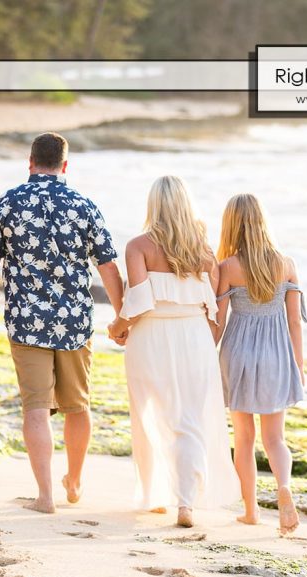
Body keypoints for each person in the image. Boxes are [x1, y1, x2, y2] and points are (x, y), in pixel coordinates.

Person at [0, 132, 124, 514]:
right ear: (65, 165)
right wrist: (122, 315)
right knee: (77, 406)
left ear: (30, 161)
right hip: (74, 322)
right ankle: (74, 480)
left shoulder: (8, 202)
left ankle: (45, 496)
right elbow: (107, 267)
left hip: (26, 321)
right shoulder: (83, 205)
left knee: (36, 408)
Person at [107, 176, 238, 528]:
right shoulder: (204, 251)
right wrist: (204, 341)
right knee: (189, 418)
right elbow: (213, 309)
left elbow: (136, 302)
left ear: (154, 205)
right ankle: (185, 502)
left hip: (150, 335)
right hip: (194, 335)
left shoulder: (138, 246)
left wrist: (117, 329)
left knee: (149, 413)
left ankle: (155, 494)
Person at [214, 193, 307, 534]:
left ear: (231, 225)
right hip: (276, 354)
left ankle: (251, 511)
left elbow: (219, 321)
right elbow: (295, 323)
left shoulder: (228, 267)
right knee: (275, 439)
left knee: (244, 436)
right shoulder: (286, 263)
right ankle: (284, 488)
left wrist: (206, 355)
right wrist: (298, 365)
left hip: (237, 354)